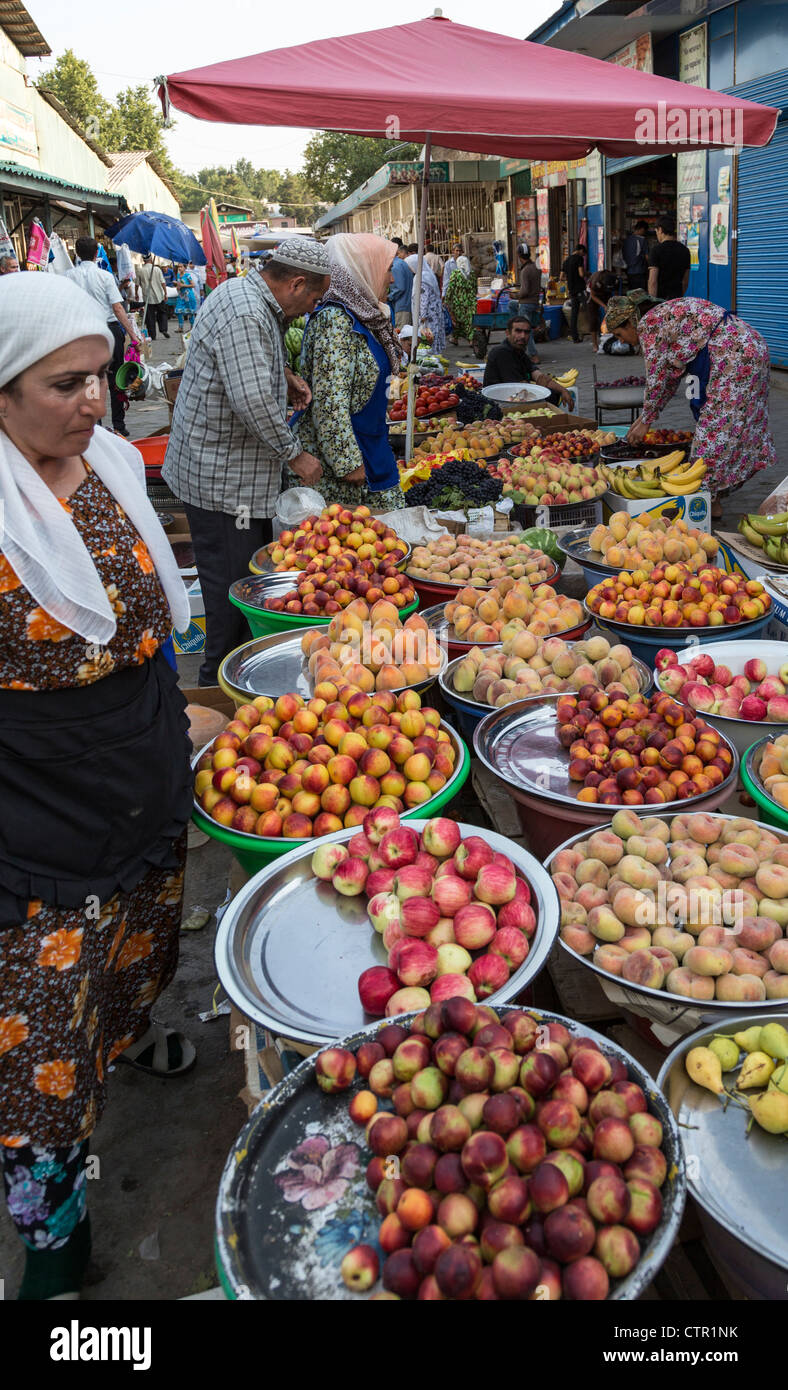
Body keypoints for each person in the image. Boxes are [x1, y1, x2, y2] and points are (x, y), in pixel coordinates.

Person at [0, 272, 194, 1301]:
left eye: (100, 378)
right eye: (63, 384)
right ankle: (53, 1236)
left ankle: (131, 1041)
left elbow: (155, 611)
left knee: (130, 953)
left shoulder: (111, 462)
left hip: (142, 764)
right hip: (30, 802)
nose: (93, 403)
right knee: (35, 1031)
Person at [162, 235, 329, 686]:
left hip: (231, 474)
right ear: (296, 283)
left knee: (245, 580)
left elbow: (247, 370)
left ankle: (237, 675)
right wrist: (297, 456)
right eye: (313, 297)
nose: (311, 308)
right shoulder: (246, 311)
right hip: (222, 483)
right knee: (231, 592)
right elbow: (252, 399)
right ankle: (216, 687)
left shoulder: (247, 295)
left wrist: (284, 374)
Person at [607, 291, 777, 515]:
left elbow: (657, 378)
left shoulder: (647, 325)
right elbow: (667, 379)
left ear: (630, 322)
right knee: (734, 428)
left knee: (714, 432)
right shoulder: (658, 316)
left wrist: (646, 420)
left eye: (619, 334)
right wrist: (646, 416)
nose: (621, 341)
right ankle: (713, 500)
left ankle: (700, 503)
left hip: (734, 356)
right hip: (749, 347)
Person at [287, 233, 403, 512]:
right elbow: (329, 404)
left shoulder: (366, 315)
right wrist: (350, 465)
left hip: (370, 447)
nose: (392, 279)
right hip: (339, 470)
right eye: (387, 269)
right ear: (362, 269)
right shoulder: (335, 321)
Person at [68, 236, 142, 439]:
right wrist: (133, 335)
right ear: (95, 254)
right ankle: (119, 425)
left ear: (76, 253)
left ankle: (96, 425)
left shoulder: (68, 276)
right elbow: (118, 308)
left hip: (83, 334)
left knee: (91, 377)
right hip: (108, 331)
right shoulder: (105, 276)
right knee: (116, 378)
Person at [483, 315, 575, 409]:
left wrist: (563, 390)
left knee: (553, 393)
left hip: (516, 396)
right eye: (518, 331)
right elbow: (521, 387)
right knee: (548, 397)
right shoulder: (502, 352)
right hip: (499, 404)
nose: (523, 336)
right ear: (508, 333)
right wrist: (540, 388)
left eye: (526, 332)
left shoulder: (519, 351)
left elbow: (539, 376)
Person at [506, 245, 542, 363]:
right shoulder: (536, 267)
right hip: (534, 302)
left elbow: (525, 291)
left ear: (519, 256)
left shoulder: (525, 270)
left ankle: (533, 355)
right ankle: (513, 329)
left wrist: (515, 295)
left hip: (526, 304)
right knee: (512, 304)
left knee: (526, 331)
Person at [407, 253, 446, 353]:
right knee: (433, 336)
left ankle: (432, 359)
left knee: (428, 338)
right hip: (434, 312)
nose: (409, 269)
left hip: (428, 316)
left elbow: (424, 298)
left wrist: (422, 317)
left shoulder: (421, 277)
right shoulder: (428, 274)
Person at [648, 216, 691, 301]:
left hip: (660, 300)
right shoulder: (685, 250)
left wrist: (653, 303)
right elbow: (685, 281)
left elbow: (652, 281)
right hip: (677, 299)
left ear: (660, 230)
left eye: (656, 231)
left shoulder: (656, 250)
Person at [443, 255, 477, 346]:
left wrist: (446, 300)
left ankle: (455, 338)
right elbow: (475, 288)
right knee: (469, 322)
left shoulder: (455, 274)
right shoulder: (472, 274)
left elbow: (450, 288)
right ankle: (471, 340)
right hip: (470, 302)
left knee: (457, 321)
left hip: (458, 302)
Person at [136, 255, 169, 340]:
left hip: (148, 297)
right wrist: (165, 293)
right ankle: (163, 329)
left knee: (150, 316)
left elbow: (137, 284)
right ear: (151, 259)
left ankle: (152, 335)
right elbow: (163, 282)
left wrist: (136, 294)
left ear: (144, 260)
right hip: (159, 296)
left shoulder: (140, 270)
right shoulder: (157, 269)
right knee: (162, 313)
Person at [586, 268, 618, 352]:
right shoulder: (596, 280)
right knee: (593, 319)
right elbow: (593, 296)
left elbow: (615, 294)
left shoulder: (614, 279)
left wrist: (612, 304)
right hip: (592, 296)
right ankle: (595, 344)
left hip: (606, 294)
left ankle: (613, 339)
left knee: (613, 315)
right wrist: (604, 306)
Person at [561, 245, 587, 343]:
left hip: (571, 289)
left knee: (574, 313)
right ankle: (594, 331)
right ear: (580, 251)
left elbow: (561, 277)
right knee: (588, 309)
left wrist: (570, 278)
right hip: (580, 289)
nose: (583, 255)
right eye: (583, 253)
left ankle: (575, 337)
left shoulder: (566, 261)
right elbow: (581, 274)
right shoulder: (579, 258)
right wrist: (586, 274)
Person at [388, 244, 414, 328]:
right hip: (406, 304)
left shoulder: (395, 266)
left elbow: (400, 288)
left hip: (402, 306)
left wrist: (389, 296)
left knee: (402, 335)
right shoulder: (401, 263)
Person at [623, 220, 649, 291]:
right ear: (642, 229)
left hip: (629, 271)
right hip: (640, 272)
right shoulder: (642, 240)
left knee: (632, 293)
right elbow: (647, 257)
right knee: (641, 294)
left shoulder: (626, 240)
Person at [174, 263, 198, 331]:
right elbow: (179, 285)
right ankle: (180, 327)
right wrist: (178, 287)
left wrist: (183, 285)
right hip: (181, 296)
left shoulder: (187, 275)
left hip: (188, 295)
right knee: (178, 310)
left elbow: (193, 285)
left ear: (185, 267)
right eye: (178, 267)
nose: (179, 268)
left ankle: (192, 327)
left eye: (181, 267)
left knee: (190, 311)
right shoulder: (178, 275)